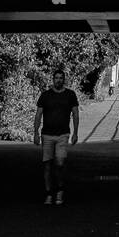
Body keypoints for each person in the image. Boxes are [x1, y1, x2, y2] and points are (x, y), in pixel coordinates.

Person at [33, 69, 80, 205]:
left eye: (61, 78)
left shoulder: (70, 95)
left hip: (62, 134)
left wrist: (75, 133)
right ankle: (48, 193)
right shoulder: (45, 95)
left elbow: (75, 114)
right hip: (47, 134)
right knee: (47, 164)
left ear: (64, 79)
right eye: (56, 78)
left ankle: (60, 190)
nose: (58, 80)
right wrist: (35, 133)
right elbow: (38, 114)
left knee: (59, 163)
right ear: (53, 80)